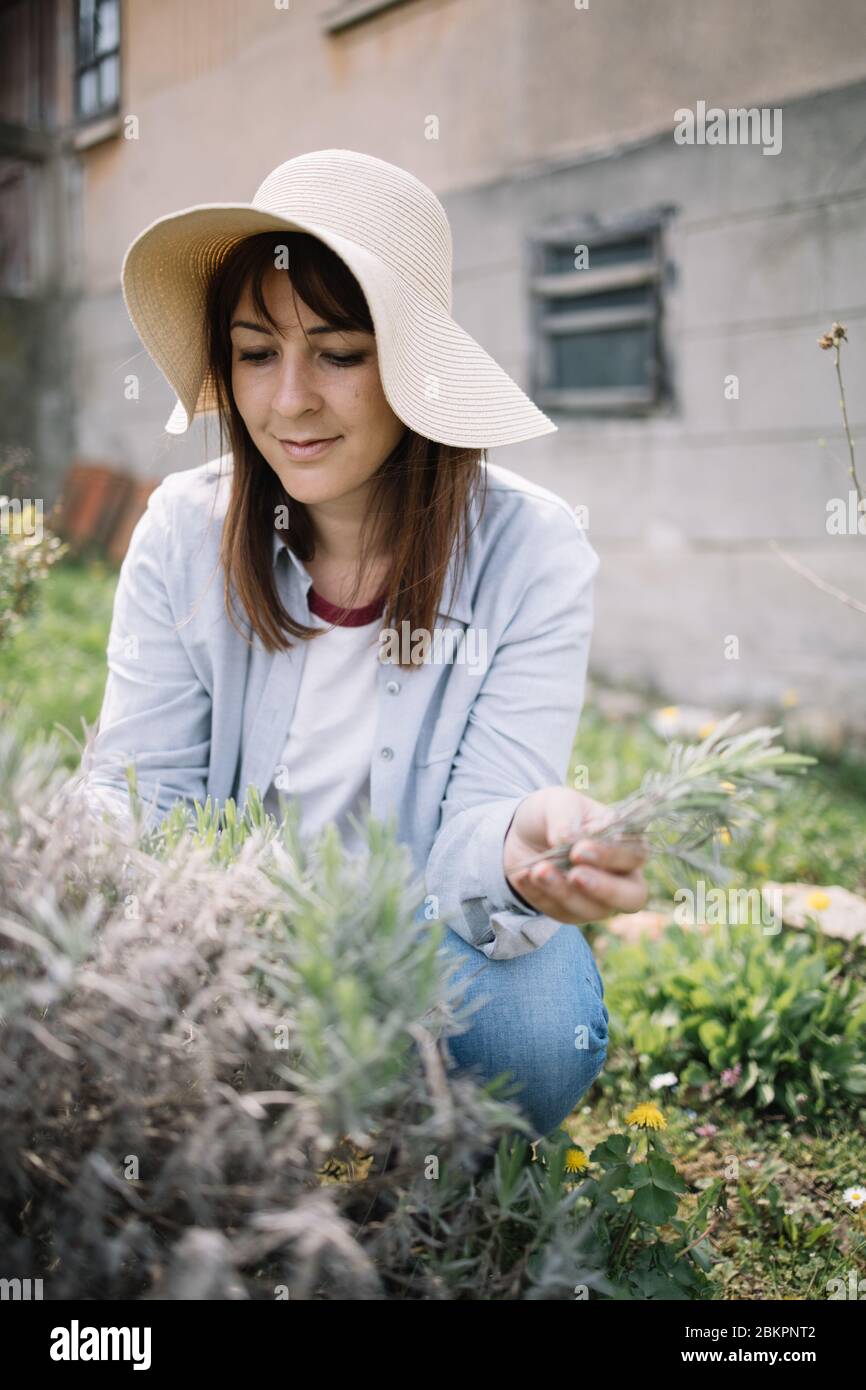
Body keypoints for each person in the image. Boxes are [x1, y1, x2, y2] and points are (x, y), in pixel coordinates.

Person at [72, 149, 649, 1138]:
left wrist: (521, 844)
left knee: (531, 1027)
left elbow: (480, 827)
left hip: (421, 941)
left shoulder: (530, 549)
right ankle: (302, 1123)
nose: (288, 399)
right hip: (226, 934)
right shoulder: (180, 528)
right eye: (255, 351)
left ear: (415, 368)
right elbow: (140, 795)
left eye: (338, 352)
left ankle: (351, 1133)